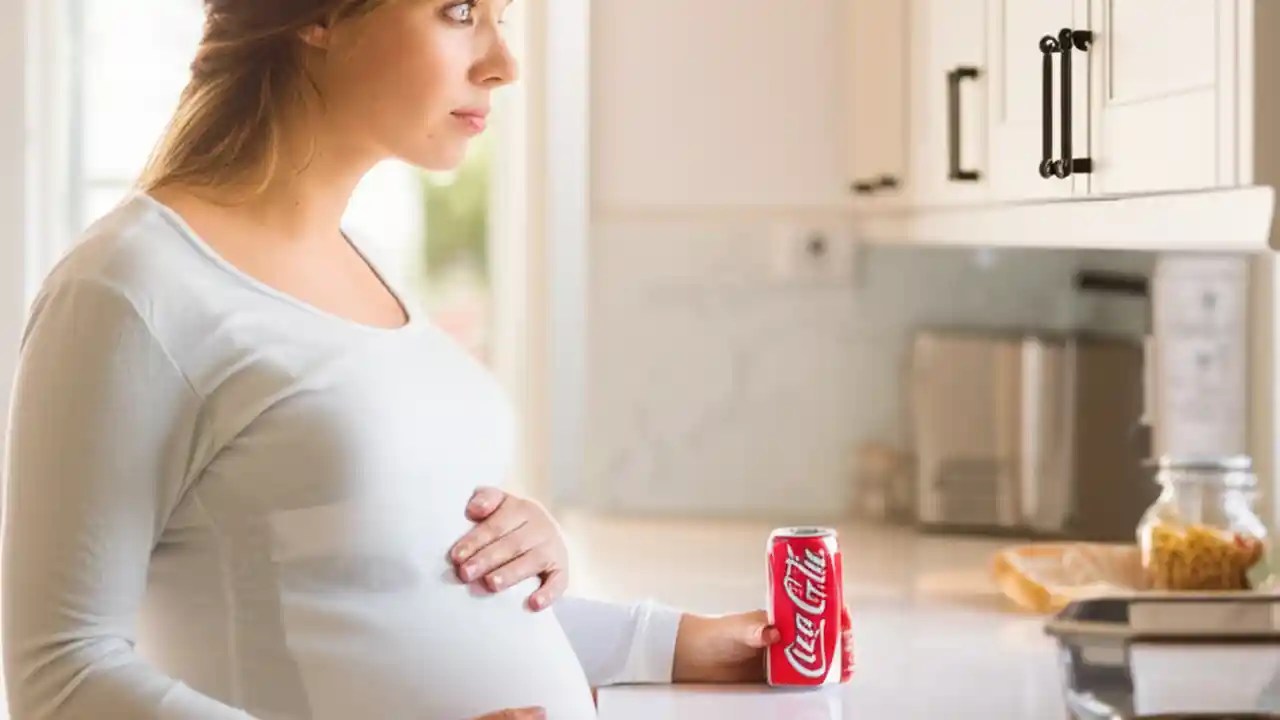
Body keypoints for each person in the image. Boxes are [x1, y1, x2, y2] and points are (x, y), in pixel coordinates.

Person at [1, 1, 849, 718]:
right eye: (458, 11)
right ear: (320, 19)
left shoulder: (358, 258)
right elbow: (59, 675)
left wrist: (666, 641)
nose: (504, 62)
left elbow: (383, 591)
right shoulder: (128, 289)